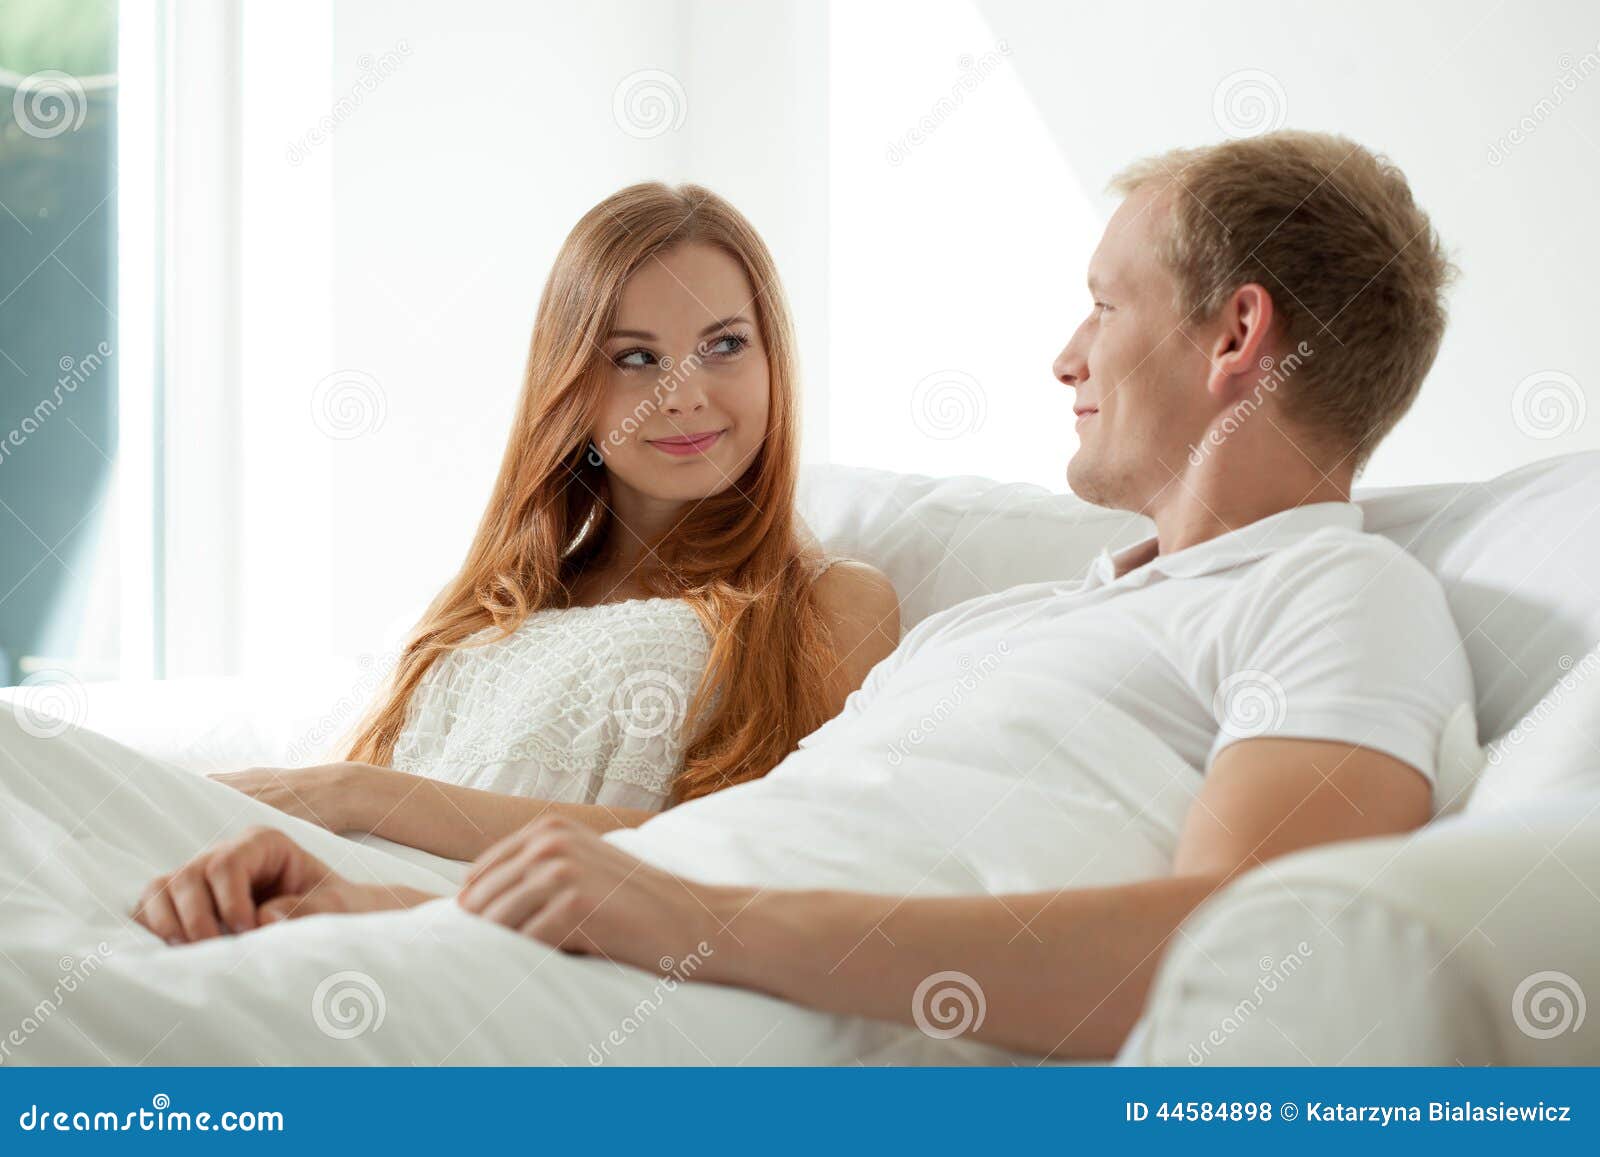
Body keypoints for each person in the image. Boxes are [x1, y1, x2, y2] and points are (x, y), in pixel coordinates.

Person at [118, 129, 1471, 1063]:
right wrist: (374, 905)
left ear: (1235, 335)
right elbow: (737, 853)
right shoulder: (1010, 626)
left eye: (1104, 306)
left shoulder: (1335, 591)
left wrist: (684, 925)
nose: (1064, 354)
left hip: (716, 1020)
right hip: (574, 972)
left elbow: (1258, 963)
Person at [206, 182, 899, 862]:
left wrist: (360, 794)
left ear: (775, 358)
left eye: (723, 346)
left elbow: (742, 854)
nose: (684, 395)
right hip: (332, 897)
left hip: (503, 946)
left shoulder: (828, 602)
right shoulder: (490, 604)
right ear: (569, 387)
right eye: (636, 357)